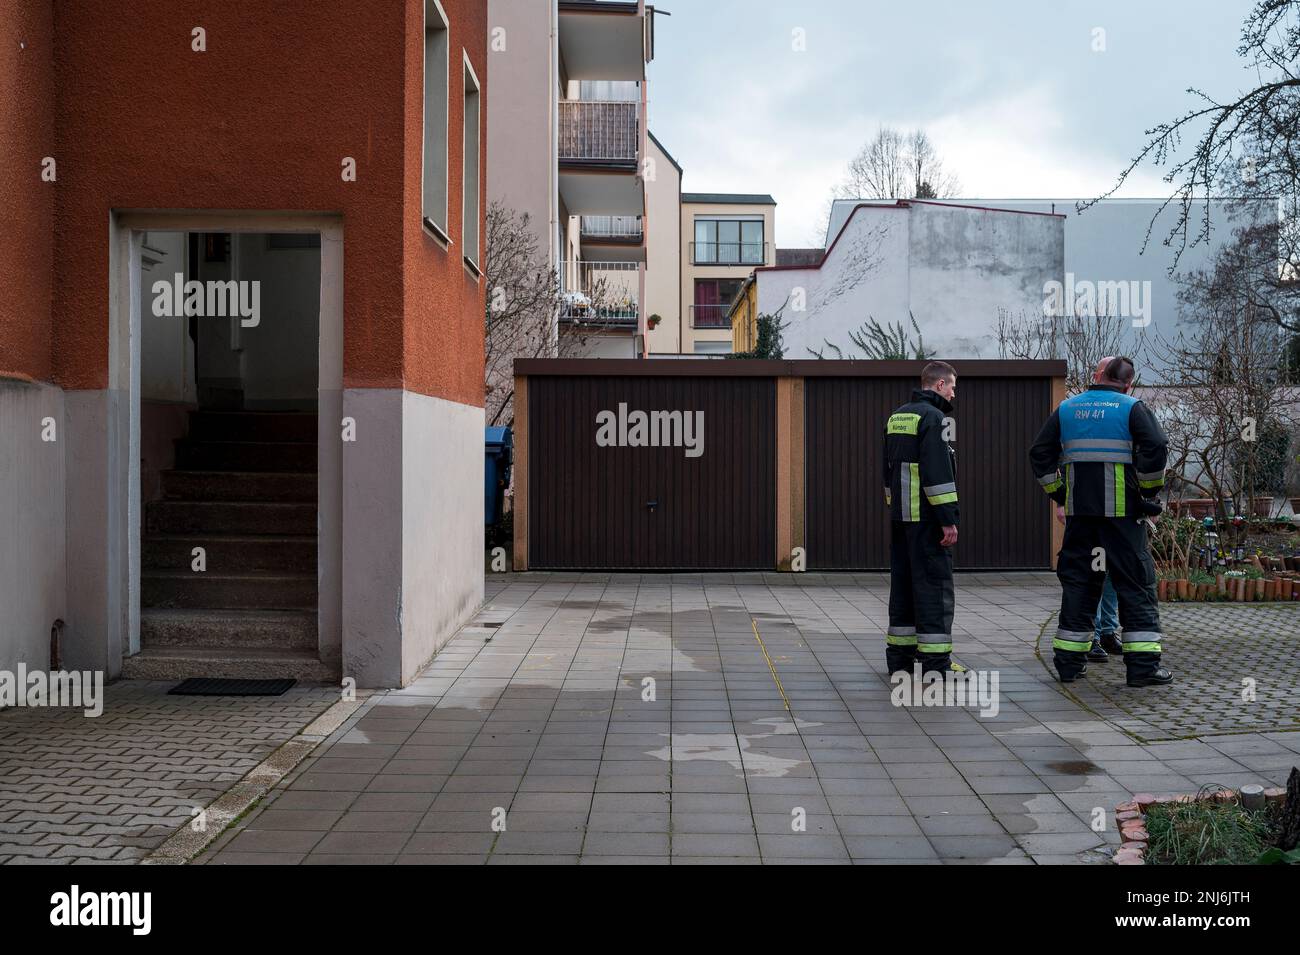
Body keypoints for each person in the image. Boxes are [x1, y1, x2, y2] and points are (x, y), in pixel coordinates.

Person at [1030, 356, 1173, 687]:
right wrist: (1148, 491)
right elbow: (1157, 446)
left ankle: (1069, 664)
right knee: (1135, 586)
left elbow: (1039, 453)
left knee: (1080, 585)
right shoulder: (1132, 408)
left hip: (1081, 519)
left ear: (1097, 377)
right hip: (1123, 519)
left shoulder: (1067, 409)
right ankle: (1142, 669)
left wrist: (1060, 493)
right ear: (1128, 383)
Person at [884, 361, 964, 677]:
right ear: (940, 385)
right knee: (934, 588)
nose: (954, 393)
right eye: (953, 386)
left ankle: (899, 660)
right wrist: (948, 519)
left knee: (903, 587)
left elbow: (887, 473)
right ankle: (936, 664)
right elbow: (937, 474)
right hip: (928, 521)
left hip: (901, 520)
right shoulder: (934, 418)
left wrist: (896, 511)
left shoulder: (897, 415)